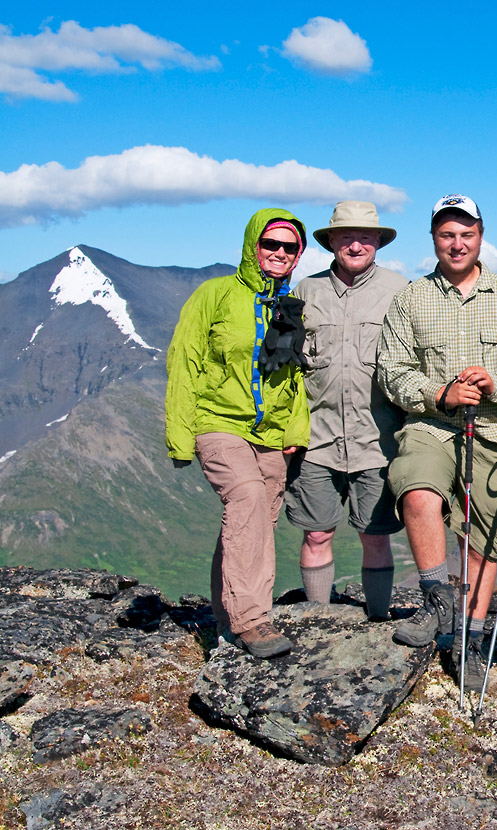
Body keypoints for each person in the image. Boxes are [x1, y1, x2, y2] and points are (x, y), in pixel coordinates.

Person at [377, 194, 497, 688]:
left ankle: (467, 637)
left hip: (494, 429)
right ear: (434, 240)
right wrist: (439, 393)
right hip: (433, 424)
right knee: (417, 491)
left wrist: (496, 382)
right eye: (447, 235)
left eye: (466, 234)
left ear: (481, 237)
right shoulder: (410, 299)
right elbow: (391, 370)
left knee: (486, 539)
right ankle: (435, 603)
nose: (457, 243)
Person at [166, 208, 310, 659]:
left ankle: (225, 620)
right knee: (246, 497)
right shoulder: (215, 294)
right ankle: (252, 621)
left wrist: (296, 429)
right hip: (218, 422)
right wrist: (179, 434)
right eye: (272, 244)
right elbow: (184, 360)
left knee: (254, 522)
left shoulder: (288, 303)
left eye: (290, 247)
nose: (280, 253)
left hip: (270, 432)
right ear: (253, 247)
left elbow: (293, 377)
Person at [285, 201, 409, 620]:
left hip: (378, 441)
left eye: (365, 236)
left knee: (375, 536)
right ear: (331, 241)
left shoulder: (401, 291)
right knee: (317, 532)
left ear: (378, 241)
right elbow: (288, 367)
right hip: (315, 439)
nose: (355, 244)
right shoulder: (306, 291)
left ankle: (376, 621)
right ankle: (317, 622)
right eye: (346, 236)